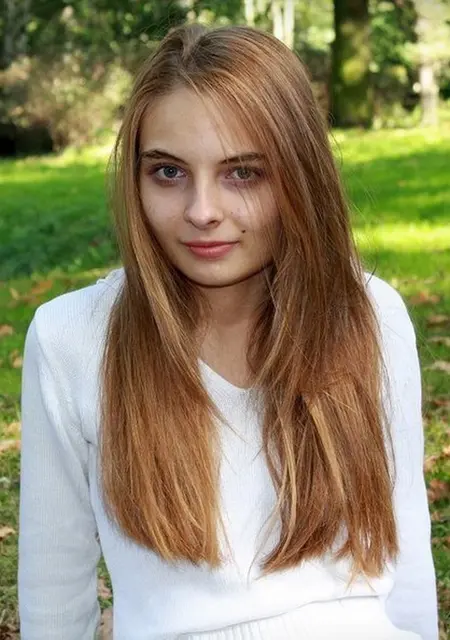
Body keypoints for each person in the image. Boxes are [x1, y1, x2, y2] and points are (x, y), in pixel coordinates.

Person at [18, 23, 438, 640]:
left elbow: (405, 554)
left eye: (243, 172)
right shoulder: (72, 339)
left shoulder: (369, 315)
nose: (202, 211)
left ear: (300, 176)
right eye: (168, 172)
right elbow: (54, 592)